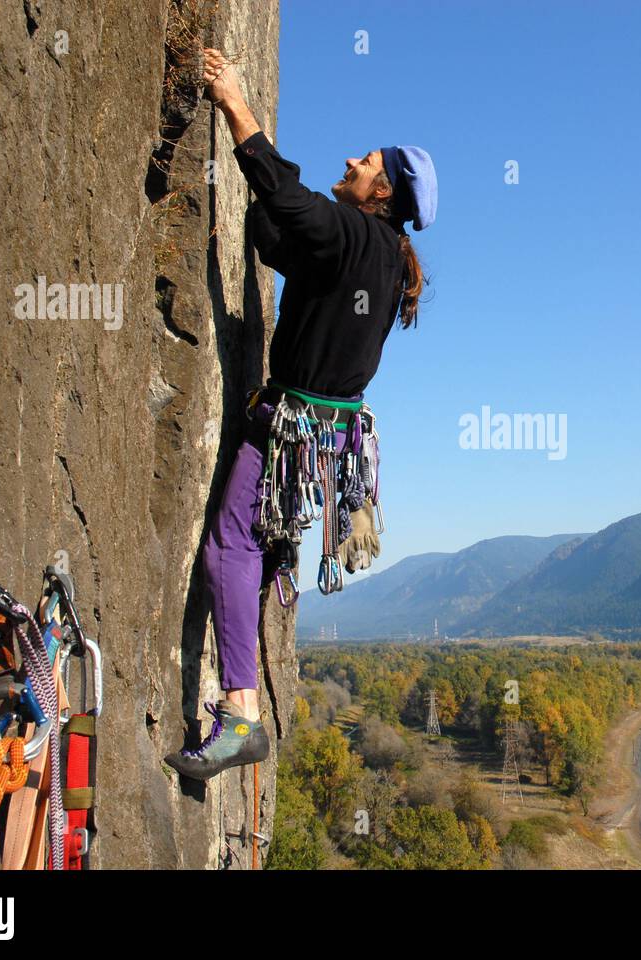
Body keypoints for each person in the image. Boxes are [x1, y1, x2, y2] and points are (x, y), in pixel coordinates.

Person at [166, 48, 437, 780]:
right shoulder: (376, 255)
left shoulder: (358, 237)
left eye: (365, 161)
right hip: (320, 440)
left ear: (381, 192)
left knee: (228, 547)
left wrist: (234, 103)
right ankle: (246, 675)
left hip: (289, 426)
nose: (350, 159)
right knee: (250, 548)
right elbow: (285, 239)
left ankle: (240, 716)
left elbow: (288, 200)